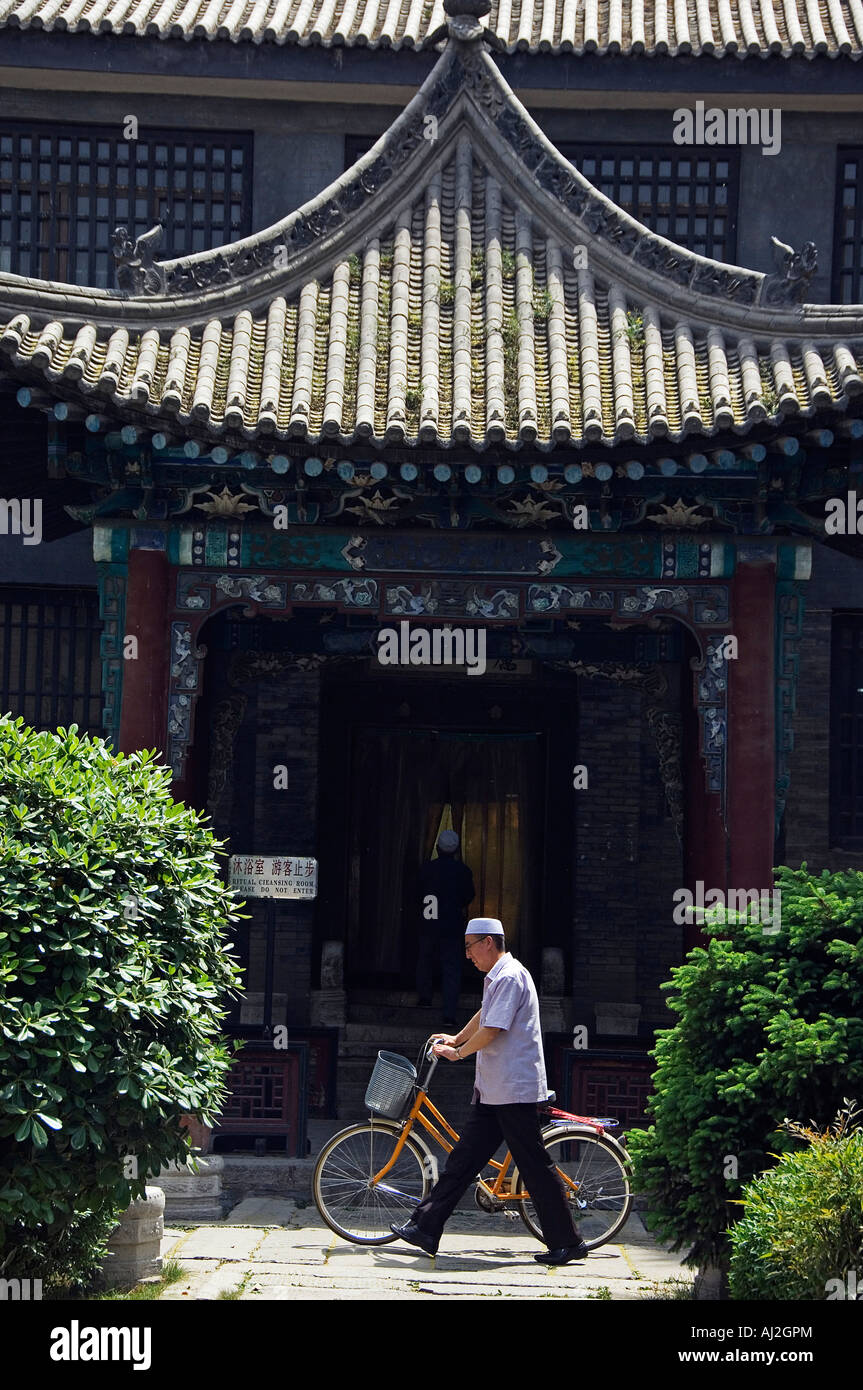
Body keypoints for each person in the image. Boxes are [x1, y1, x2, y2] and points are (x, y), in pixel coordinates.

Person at [392, 917, 589, 1265]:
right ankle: (425, 1226)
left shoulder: (511, 976)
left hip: (514, 1089)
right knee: (462, 1162)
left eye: (469, 946)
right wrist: (456, 1037)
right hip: (495, 1090)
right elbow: (484, 1016)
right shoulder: (498, 977)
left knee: (534, 1166)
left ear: (488, 942)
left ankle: (567, 1241)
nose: (467, 954)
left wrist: (458, 1052)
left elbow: (493, 1029)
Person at [415, 829, 475, 1026]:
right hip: (452, 925)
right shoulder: (463, 871)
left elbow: (416, 893)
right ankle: (449, 1013)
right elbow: (468, 896)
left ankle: (424, 998)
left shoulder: (426, 869)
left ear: (438, 848)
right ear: (456, 849)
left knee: (425, 960)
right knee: (451, 967)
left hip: (428, 922)